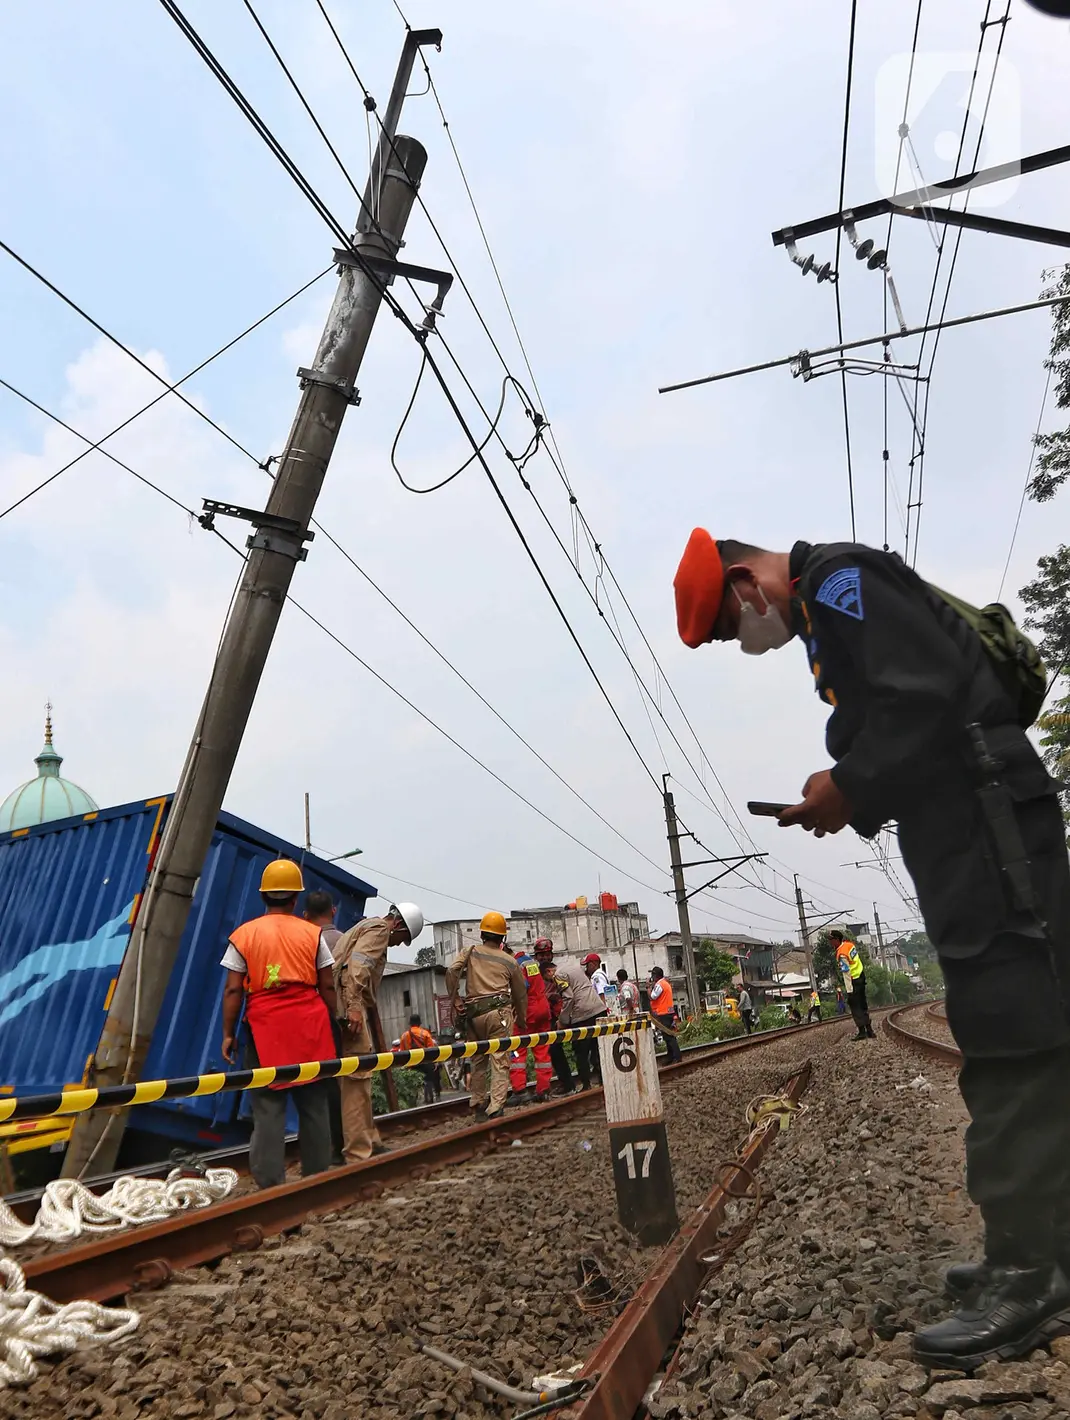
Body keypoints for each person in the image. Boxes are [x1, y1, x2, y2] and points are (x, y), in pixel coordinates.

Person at [673, 526, 1070, 1368]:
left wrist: (847, 785)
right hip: (969, 831)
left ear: (744, 580)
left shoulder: (840, 581)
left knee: (1013, 1034)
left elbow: (920, 698)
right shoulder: (826, 604)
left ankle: (1034, 1271)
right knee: (1006, 1026)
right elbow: (909, 713)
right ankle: (1034, 1247)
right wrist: (848, 790)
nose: (738, 641)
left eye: (725, 625)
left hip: (989, 830)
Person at [220, 859, 337, 1189]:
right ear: (294, 899)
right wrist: (335, 1019)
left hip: (265, 1025)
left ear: (264, 896)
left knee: (268, 1106)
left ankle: (271, 1184)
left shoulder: (244, 935)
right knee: (314, 1101)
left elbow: (232, 989)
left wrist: (228, 1034)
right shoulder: (313, 934)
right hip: (309, 1023)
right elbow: (327, 985)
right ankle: (317, 1178)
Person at [332, 902, 424, 1162]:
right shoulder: (380, 931)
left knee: (360, 1075)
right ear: (399, 925)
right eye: (403, 938)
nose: (398, 945)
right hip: (349, 1006)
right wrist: (354, 1007)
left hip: (345, 1003)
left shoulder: (366, 924)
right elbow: (357, 968)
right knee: (356, 1079)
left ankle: (370, 1139)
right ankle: (358, 1151)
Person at [446, 912, 528, 1120]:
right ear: (502, 938)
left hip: (473, 1014)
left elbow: (451, 971)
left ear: (482, 934)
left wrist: (455, 1000)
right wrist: (522, 1019)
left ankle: (478, 1101)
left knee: (478, 1057)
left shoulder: (470, 952)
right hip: (499, 1013)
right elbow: (520, 995)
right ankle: (496, 1106)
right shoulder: (510, 961)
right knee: (499, 1059)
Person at [303, 888, 345, 1165]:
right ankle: (337, 1147)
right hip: (333, 1018)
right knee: (333, 1081)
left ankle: (312, 1147)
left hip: (304, 1017)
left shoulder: (302, 940)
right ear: (333, 911)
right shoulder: (344, 940)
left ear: (305, 915)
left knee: (306, 1082)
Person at [554, 956, 609, 1090]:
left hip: (583, 1014)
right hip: (599, 1009)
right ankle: (604, 1082)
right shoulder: (575, 968)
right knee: (598, 1049)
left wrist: (563, 1020)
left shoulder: (558, 975)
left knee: (581, 1052)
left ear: (549, 972)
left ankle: (586, 1085)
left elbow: (568, 997)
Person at [508, 940, 554, 1102]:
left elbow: (522, 987)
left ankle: (519, 1090)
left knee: (517, 1050)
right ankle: (543, 1090)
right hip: (543, 1009)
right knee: (542, 1051)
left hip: (528, 1012)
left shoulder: (516, 965)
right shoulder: (531, 963)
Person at [535, 939, 575, 1094]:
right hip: (544, 1018)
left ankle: (568, 1084)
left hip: (558, 1017)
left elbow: (565, 995)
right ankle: (563, 1082)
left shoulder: (556, 973)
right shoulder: (535, 974)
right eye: (541, 955)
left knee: (558, 1050)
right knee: (551, 1052)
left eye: (546, 954)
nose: (544, 957)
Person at [830, 930, 875, 1040]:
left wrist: (849, 990)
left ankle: (862, 1031)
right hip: (861, 975)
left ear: (836, 939)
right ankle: (870, 1030)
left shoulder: (841, 954)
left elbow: (846, 973)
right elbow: (857, 960)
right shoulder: (850, 945)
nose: (830, 942)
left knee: (855, 1005)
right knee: (863, 1004)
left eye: (831, 940)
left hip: (853, 980)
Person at [398, 1014, 440, 1105]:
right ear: (419, 1023)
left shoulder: (404, 1035)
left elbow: (402, 1052)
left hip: (412, 1063)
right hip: (425, 1061)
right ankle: (429, 1100)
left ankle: (413, 1102)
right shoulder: (425, 1033)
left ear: (410, 1023)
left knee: (413, 1082)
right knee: (428, 1080)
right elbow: (431, 1050)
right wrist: (435, 1062)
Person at [649, 967, 682, 1064]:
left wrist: (648, 988)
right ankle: (671, 1056)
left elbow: (652, 997)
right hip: (668, 1012)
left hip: (664, 1013)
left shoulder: (660, 984)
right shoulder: (665, 983)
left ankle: (676, 1056)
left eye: (653, 975)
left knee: (669, 1036)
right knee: (668, 1035)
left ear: (656, 975)